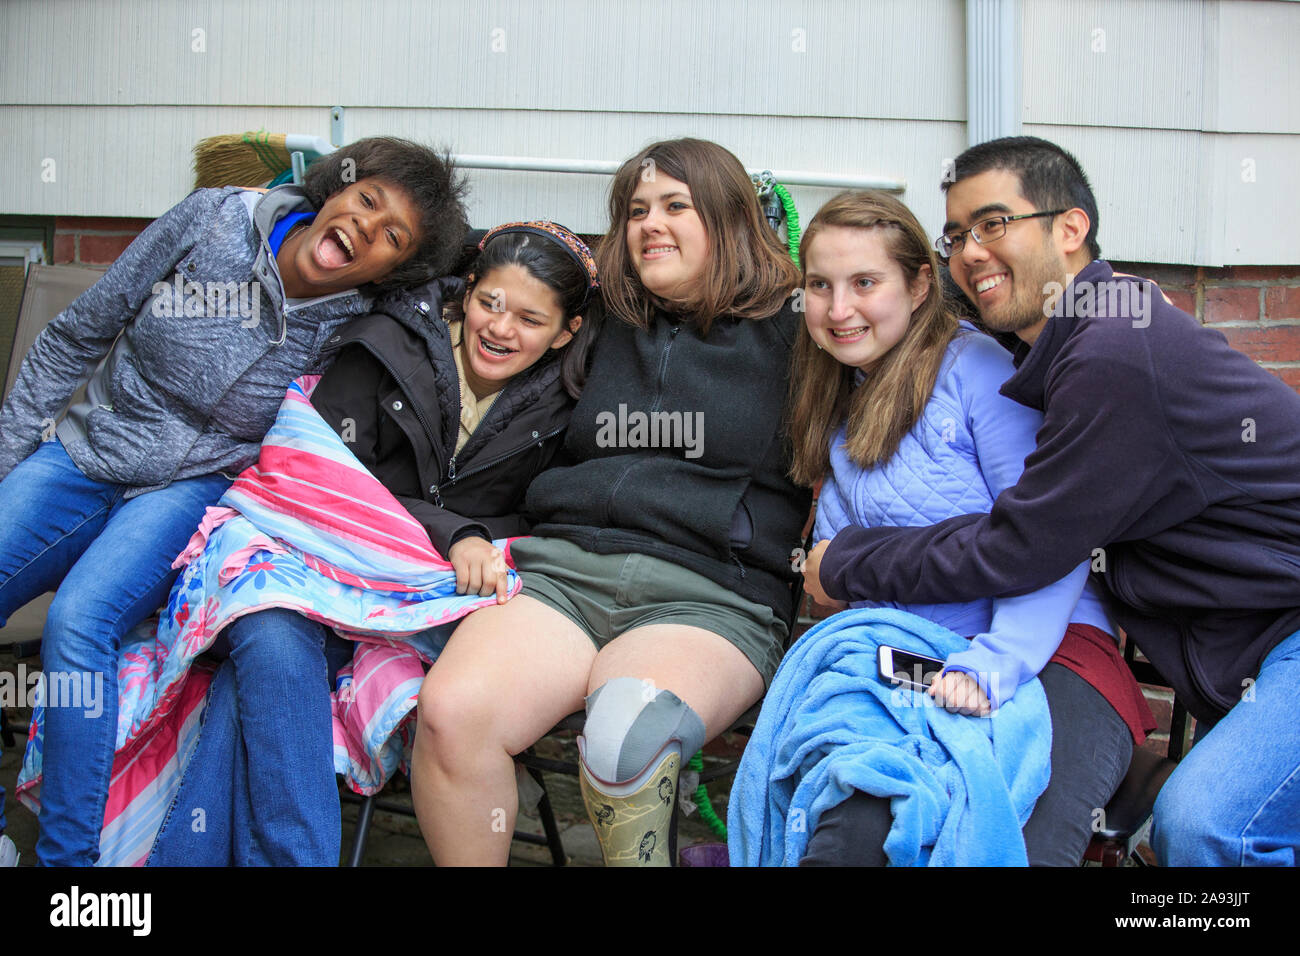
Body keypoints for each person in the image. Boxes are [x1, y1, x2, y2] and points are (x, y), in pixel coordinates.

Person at [804, 135, 1300, 867]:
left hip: (1281, 634)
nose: (971, 251)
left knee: (1202, 827)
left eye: (994, 223)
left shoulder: (1112, 353)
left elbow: (1024, 543)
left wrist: (846, 560)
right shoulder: (1073, 344)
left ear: (1070, 230)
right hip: (1252, 641)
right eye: (958, 234)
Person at [0, 137, 468, 866]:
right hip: (89, 446)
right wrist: (10, 461)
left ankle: (68, 867)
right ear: (332, 189)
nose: (366, 228)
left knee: (79, 621)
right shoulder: (215, 220)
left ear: (394, 269)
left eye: (393, 236)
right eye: (366, 199)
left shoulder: (356, 327)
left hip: (194, 487)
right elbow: (75, 336)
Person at [142, 220, 598, 866]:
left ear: (566, 331)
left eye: (529, 318)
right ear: (466, 291)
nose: (499, 328)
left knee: (257, 679)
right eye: (489, 303)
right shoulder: (390, 343)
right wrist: (453, 533)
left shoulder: (566, 408)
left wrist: (465, 544)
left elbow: (542, 514)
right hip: (286, 553)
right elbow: (323, 471)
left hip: (410, 608)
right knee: (271, 628)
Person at [411, 138, 812, 866]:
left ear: (728, 216)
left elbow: (904, 311)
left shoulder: (800, 331)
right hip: (564, 577)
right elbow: (486, 266)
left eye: (674, 206)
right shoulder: (601, 320)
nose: (649, 223)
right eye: (636, 210)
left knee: (626, 732)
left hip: (711, 596)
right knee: (451, 714)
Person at [746, 190, 1150, 867]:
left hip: (1046, 648)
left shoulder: (979, 373)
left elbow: (1052, 537)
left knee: (1020, 838)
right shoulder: (835, 397)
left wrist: (997, 661)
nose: (839, 309)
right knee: (849, 833)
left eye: (865, 283)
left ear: (920, 283)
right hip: (917, 654)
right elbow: (840, 577)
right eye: (820, 285)